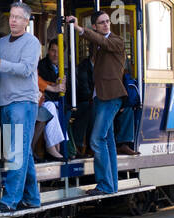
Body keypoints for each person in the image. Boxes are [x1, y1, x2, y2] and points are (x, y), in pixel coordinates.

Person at [0, 2, 41, 213]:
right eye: (11, 17)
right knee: (23, 152)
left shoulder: (32, 43)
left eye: (18, 17)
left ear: (26, 21)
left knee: (17, 152)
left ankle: (10, 201)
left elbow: (26, 69)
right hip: (5, 101)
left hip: (23, 102)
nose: (13, 20)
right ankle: (33, 198)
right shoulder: (1, 43)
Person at [75, 10, 126, 194]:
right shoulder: (95, 46)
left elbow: (103, 41)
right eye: (102, 23)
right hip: (100, 97)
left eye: (107, 21)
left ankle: (104, 185)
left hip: (111, 97)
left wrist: (80, 30)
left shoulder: (116, 41)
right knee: (108, 141)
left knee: (97, 139)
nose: (106, 25)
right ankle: (112, 185)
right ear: (95, 26)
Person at [36, 40, 67, 160]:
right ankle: (52, 148)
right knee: (51, 108)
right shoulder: (42, 65)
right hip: (41, 101)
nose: (56, 55)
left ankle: (61, 147)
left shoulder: (63, 66)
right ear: (48, 51)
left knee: (66, 109)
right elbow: (39, 83)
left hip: (53, 101)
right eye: (53, 51)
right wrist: (55, 87)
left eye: (59, 52)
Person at [114, 63, 141, 155]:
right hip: (102, 100)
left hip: (118, 101)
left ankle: (124, 144)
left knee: (128, 109)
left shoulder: (125, 77)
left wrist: (123, 105)